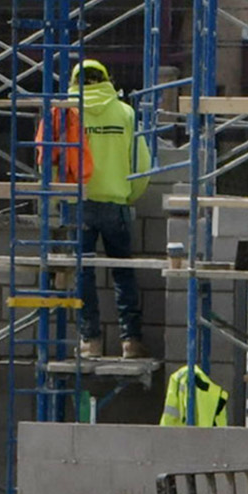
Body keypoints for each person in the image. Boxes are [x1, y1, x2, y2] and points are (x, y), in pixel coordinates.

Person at [50, 58, 152, 359]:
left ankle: (90, 342)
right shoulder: (125, 113)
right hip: (115, 201)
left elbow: (51, 160)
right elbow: (142, 164)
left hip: (76, 201)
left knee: (84, 273)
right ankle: (131, 341)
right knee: (123, 271)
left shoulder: (66, 113)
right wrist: (129, 194)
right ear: (107, 79)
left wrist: (59, 198)